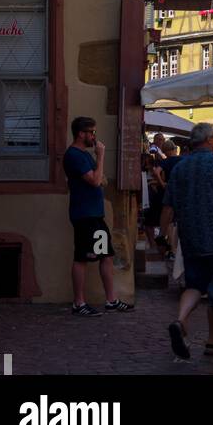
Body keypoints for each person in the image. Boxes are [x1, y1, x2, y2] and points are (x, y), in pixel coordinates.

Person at [159, 122, 213, 360]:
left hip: (190, 237)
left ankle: (180, 320)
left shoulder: (180, 167)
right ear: (208, 140)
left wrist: (162, 233)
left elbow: (168, 206)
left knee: (194, 284)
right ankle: (212, 341)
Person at [63, 116, 133, 316]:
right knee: (82, 257)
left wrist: (98, 173)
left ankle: (111, 300)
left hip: (94, 215)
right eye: (91, 132)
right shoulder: (74, 155)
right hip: (84, 215)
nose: (94, 136)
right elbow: (95, 180)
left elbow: (100, 178)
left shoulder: (85, 154)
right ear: (80, 134)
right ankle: (79, 302)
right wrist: (101, 157)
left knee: (105, 255)